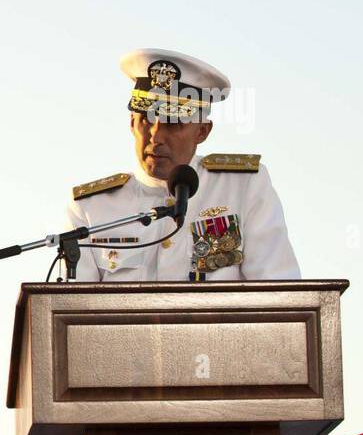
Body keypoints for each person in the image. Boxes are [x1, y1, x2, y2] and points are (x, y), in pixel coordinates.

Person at [65, 48, 301, 281]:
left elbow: (279, 288)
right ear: (131, 123)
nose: (156, 136)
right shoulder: (90, 207)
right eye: (146, 120)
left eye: (172, 123)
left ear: (202, 131)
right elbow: (69, 303)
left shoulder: (243, 188)